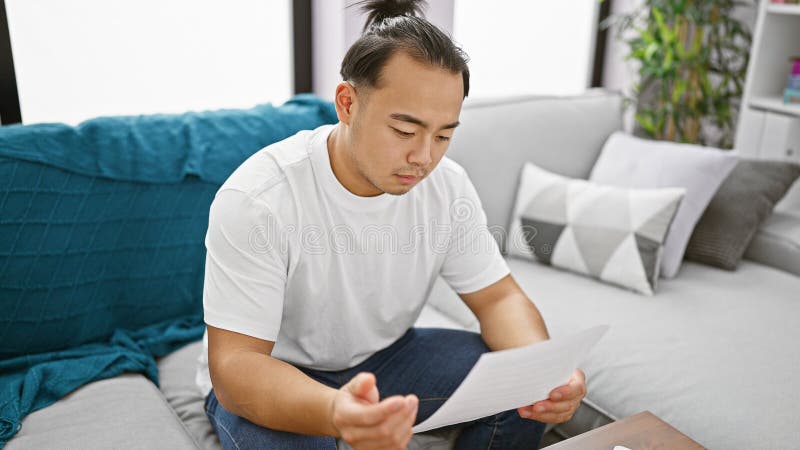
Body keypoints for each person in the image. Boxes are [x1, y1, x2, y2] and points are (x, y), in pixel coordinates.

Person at [196, 0, 587, 448]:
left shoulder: (447, 188)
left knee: (519, 389)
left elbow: (499, 299)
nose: (424, 158)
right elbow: (237, 366)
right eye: (404, 131)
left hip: (384, 358)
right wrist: (335, 411)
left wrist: (545, 374)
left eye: (443, 135)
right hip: (275, 372)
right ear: (347, 103)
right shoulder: (259, 200)